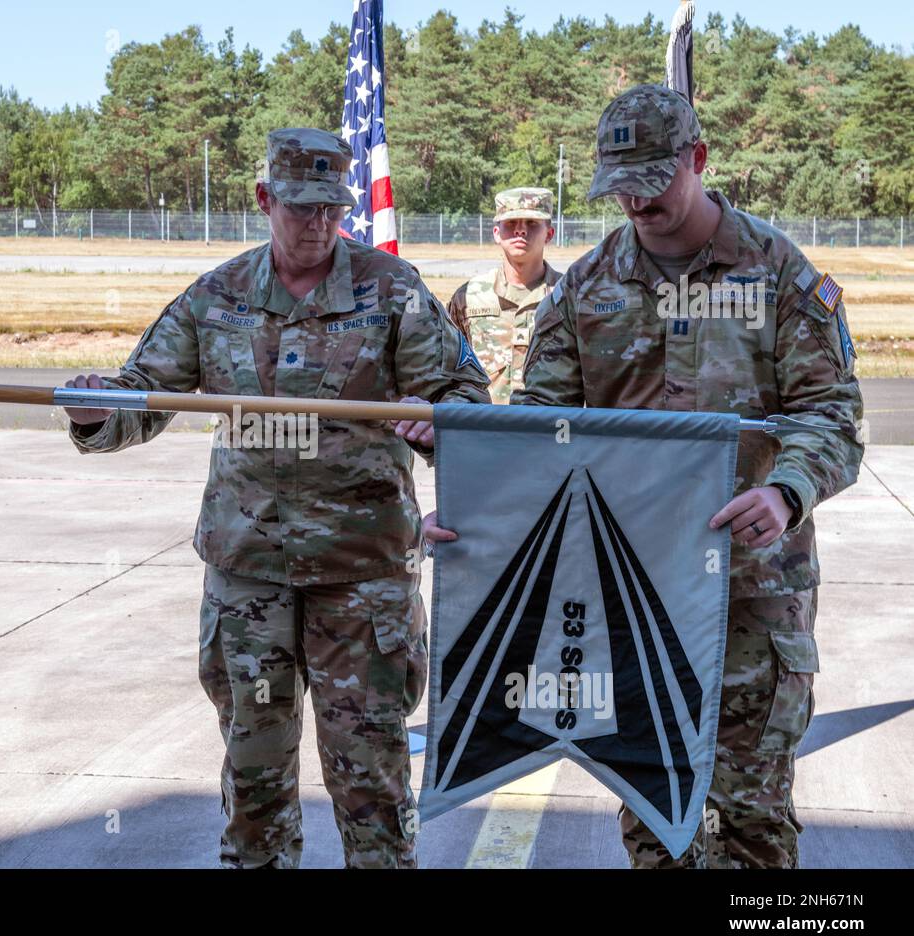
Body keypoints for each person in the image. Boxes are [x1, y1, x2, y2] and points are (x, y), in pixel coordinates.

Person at [427, 84, 864, 868]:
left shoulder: (776, 273)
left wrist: (787, 489)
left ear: (698, 159)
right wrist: (470, 508)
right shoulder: (586, 289)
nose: (635, 200)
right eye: (619, 184)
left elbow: (829, 412)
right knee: (652, 818)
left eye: (655, 178)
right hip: (629, 598)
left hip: (751, 594)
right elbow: (540, 434)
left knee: (754, 818)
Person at [62, 128, 491, 868]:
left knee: (372, 781)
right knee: (253, 774)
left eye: (332, 207)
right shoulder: (218, 296)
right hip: (250, 574)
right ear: (266, 200)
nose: (318, 223)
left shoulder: (393, 293)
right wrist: (96, 409)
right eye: (301, 207)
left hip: (361, 578)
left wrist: (436, 423)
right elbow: (144, 393)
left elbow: (463, 398)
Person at [446, 187, 562, 403]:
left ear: (549, 234)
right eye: (511, 223)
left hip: (549, 429)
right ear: (496, 233)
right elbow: (448, 368)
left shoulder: (568, 295)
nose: (520, 231)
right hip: (484, 428)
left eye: (532, 223)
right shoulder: (469, 296)